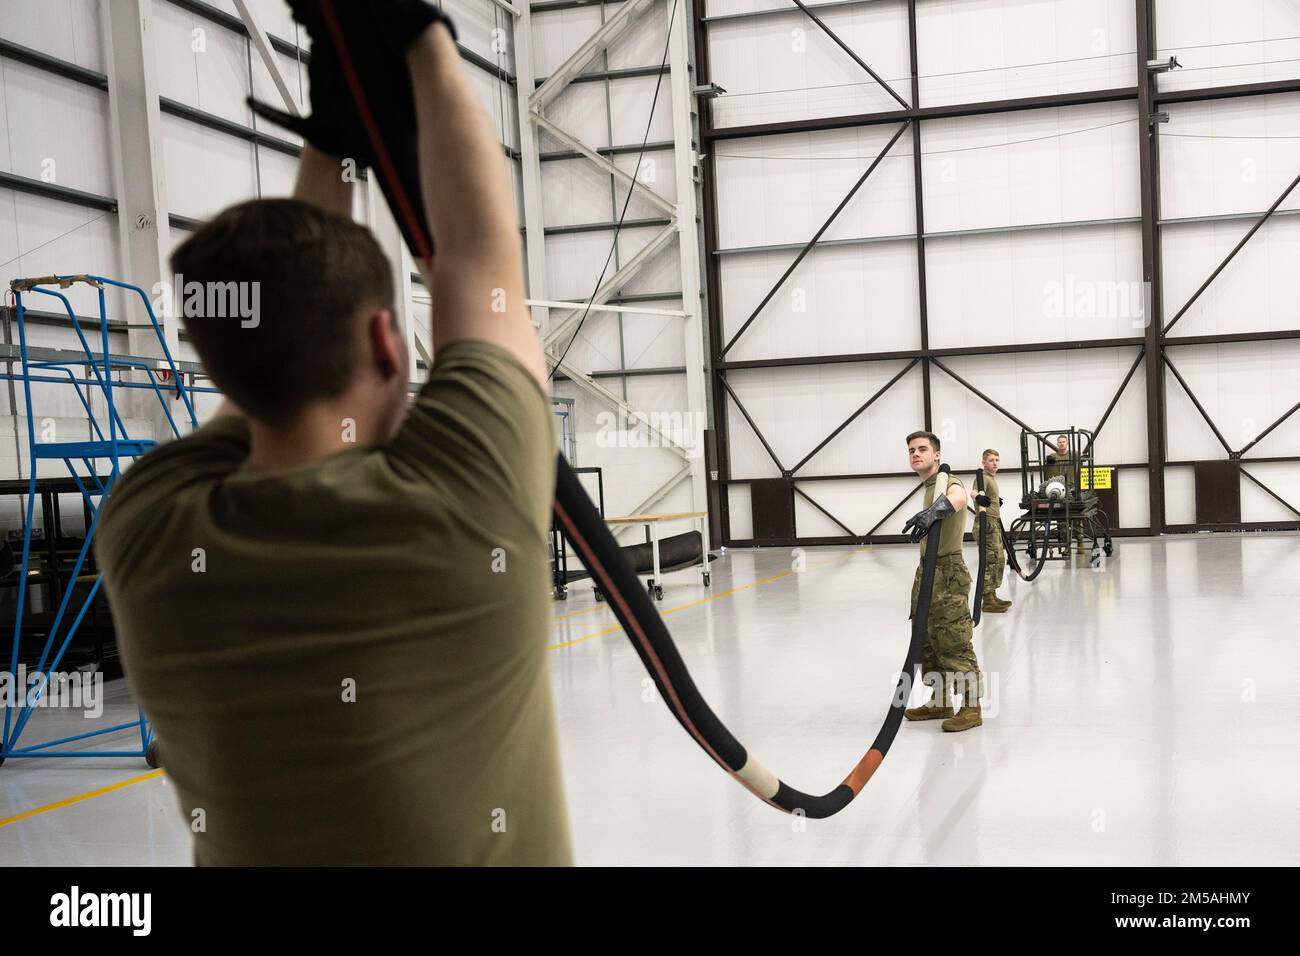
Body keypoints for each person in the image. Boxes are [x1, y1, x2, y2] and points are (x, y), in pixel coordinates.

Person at [95, 4, 572, 865]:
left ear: (218, 370)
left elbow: (446, 270)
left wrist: (339, 126)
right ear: (390, 341)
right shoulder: (463, 500)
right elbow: (479, 259)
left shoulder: (146, 528)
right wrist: (416, 33)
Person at [900, 431, 983, 732]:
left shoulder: (948, 481)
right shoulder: (928, 486)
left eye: (923, 449)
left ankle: (972, 707)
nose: (916, 454)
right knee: (926, 640)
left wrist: (933, 512)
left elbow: (959, 498)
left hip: (947, 571)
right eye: (911, 450)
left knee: (953, 640)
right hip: (927, 571)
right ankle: (940, 701)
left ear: (937, 454)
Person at [973, 448, 1010, 613]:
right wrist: (977, 498)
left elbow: (989, 496)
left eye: (997, 460)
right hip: (986, 523)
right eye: (991, 460)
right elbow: (974, 492)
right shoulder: (983, 478)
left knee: (998, 559)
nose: (995, 463)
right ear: (983, 462)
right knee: (990, 561)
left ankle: (992, 595)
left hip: (993, 523)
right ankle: (987, 600)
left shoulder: (992, 479)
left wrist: (995, 501)